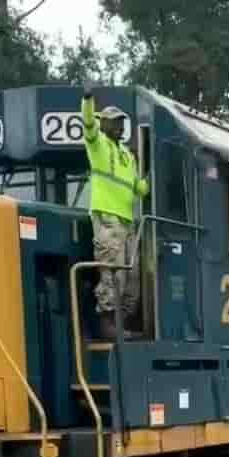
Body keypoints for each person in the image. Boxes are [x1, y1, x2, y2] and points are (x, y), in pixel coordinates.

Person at [81, 82, 149, 337]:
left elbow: (139, 188)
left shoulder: (127, 156)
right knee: (112, 271)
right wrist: (88, 99)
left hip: (127, 221)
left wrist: (152, 171)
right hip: (107, 218)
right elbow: (88, 123)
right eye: (114, 121)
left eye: (122, 121)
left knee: (132, 276)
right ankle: (107, 323)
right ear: (105, 124)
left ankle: (123, 320)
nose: (120, 125)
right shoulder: (97, 145)